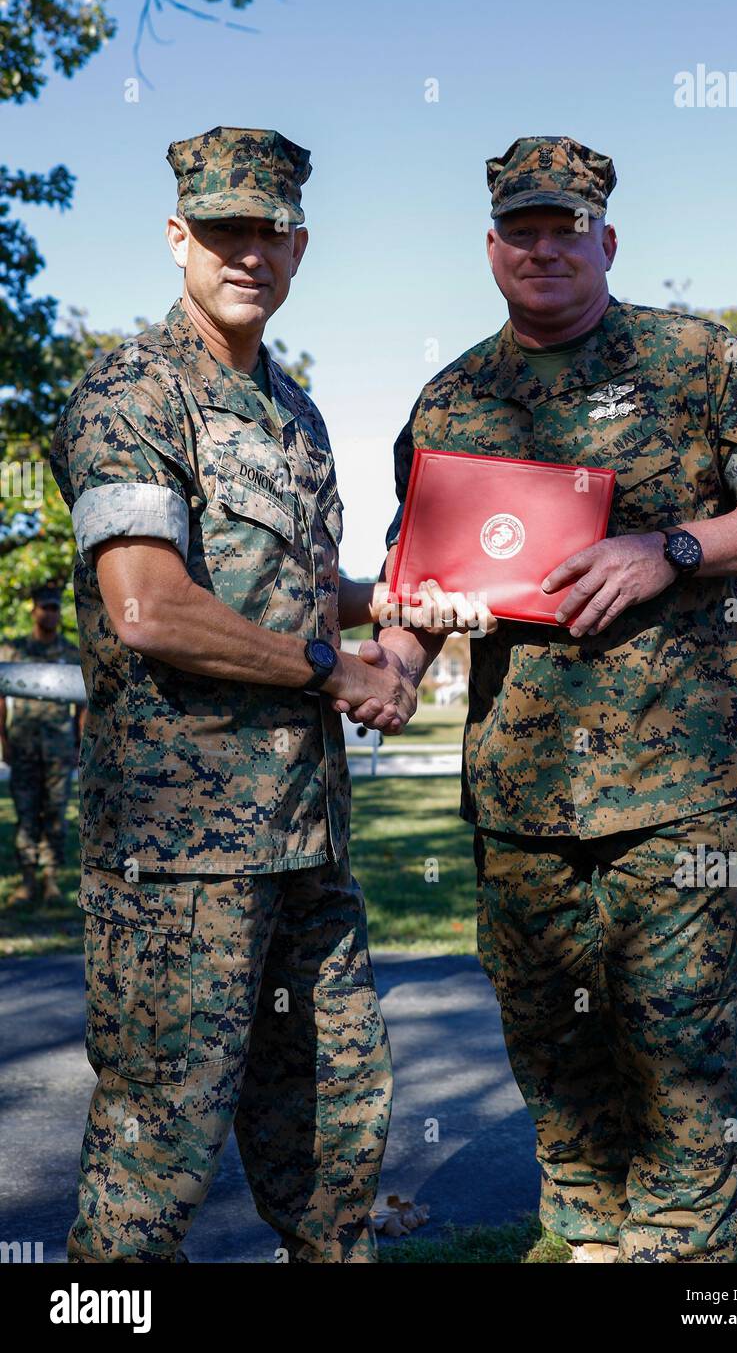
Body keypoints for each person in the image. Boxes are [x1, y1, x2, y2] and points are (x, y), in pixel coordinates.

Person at [375, 136, 737, 1263]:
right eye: (520, 230)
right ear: (491, 247)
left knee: (679, 1055)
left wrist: (671, 545)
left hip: (675, 785)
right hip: (520, 795)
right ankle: (583, 1238)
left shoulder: (700, 361)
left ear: (605, 239)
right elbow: (414, 576)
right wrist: (392, 657)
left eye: (564, 228)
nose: (543, 249)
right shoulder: (452, 399)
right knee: (552, 1058)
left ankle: (681, 1256)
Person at [50, 125, 419, 1263]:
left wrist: (400, 601)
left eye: (268, 230)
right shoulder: (130, 390)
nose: (245, 251)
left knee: (337, 1134)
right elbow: (149, 607)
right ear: (177, 238)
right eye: (222, 231)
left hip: (306, 841)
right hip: (182, 860)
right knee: (150, 1169)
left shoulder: (293, 413)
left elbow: (288, 593)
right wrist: (333, 669)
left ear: (298, 246)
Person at [0, 582, 84, 906]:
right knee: (25, 812)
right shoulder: (13, 651)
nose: (50, 613)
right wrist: (3, 740)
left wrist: (79, 743)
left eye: (54, 607)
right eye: (45, 607)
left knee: (55, 813)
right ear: (33, 610)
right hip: (22, 746)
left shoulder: (70, 652)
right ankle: (26, 882)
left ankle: (50, 881)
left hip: (59, 748)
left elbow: (82, 705)